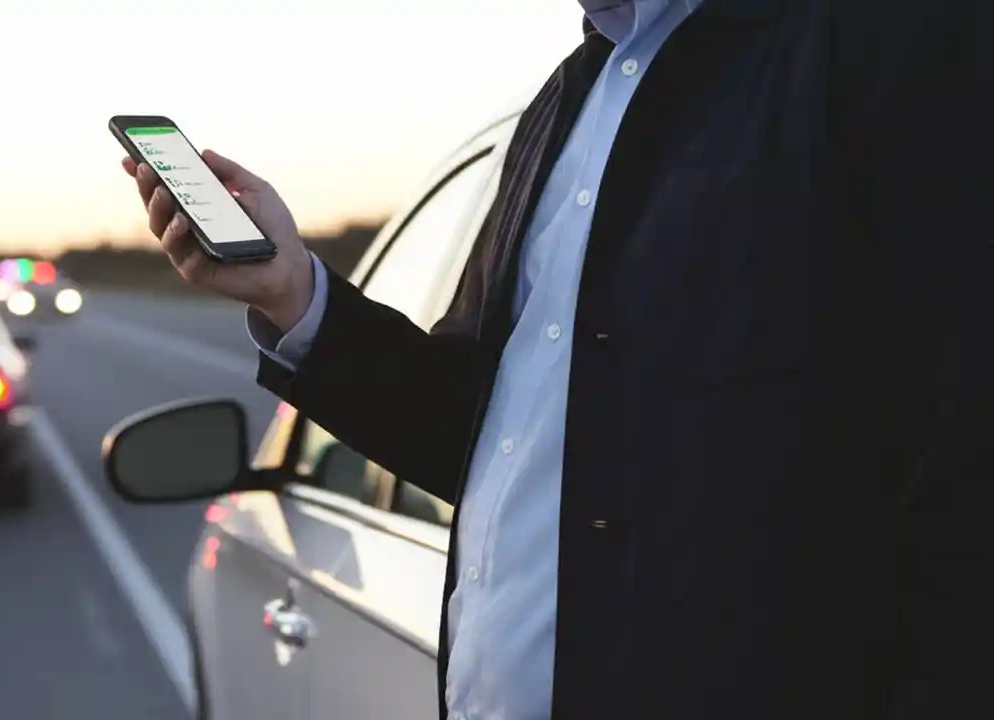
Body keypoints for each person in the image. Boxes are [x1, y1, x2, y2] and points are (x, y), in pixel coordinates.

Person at [120, 0, 990, 717]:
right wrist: (291, 291)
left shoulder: (897, 44)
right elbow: (478, 429)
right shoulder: (565, 104)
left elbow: (960, 477)